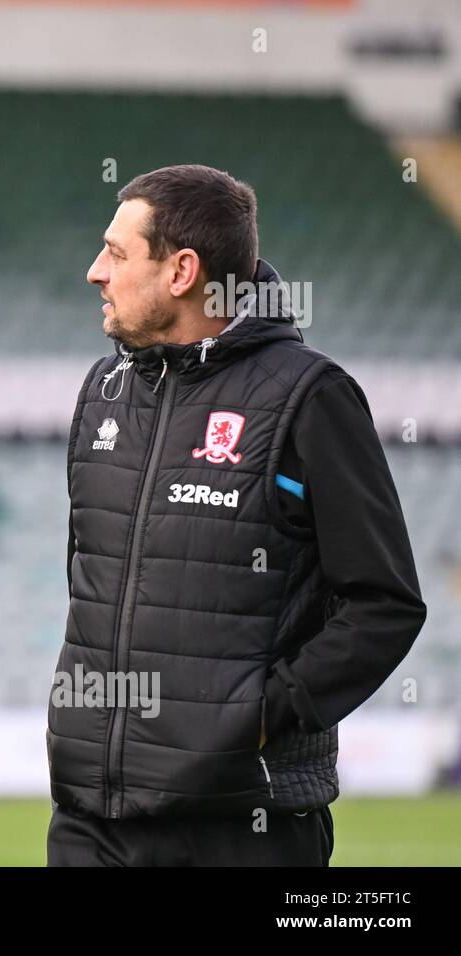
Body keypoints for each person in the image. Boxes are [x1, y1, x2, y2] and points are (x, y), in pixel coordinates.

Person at [46, 164, 426, 866]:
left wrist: (256, 719)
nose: (95, 272)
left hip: (243, 824)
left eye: (118, 253)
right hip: (92, 816)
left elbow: (384, 602)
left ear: (182, 271)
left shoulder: (310, 397)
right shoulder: (103, 391)